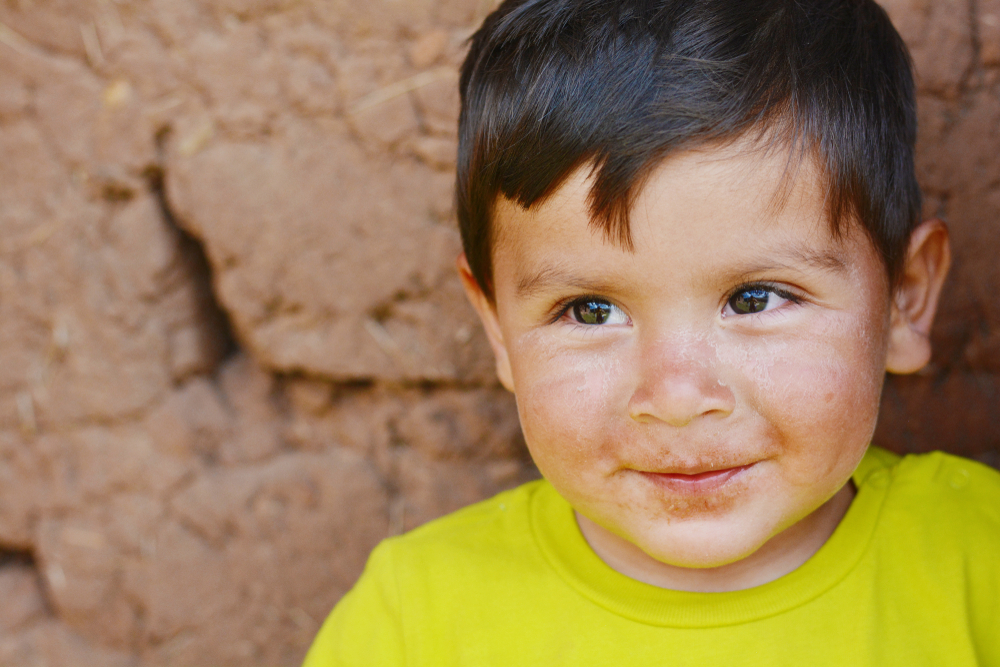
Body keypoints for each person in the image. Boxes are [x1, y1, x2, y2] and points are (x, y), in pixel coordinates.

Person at [305, 0, 1000, 663]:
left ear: (905, 299)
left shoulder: (980, 564)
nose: (674, 396)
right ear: (496, 329)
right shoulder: (416, 619)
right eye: (590, 310)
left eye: (755, 298)